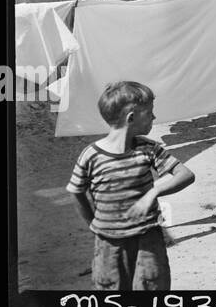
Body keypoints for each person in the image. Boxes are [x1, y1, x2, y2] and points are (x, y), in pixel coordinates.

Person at [66, 81, 195, 291]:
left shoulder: (148, 149)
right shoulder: (91, 155)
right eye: (150, 112)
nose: (154, 117)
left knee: (152, 288)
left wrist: (154, 191)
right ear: (131, 118)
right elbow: (76, 191)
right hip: (109, 245)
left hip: (148, 239)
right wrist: (93, 223)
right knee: (112, 293)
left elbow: (186, 175)